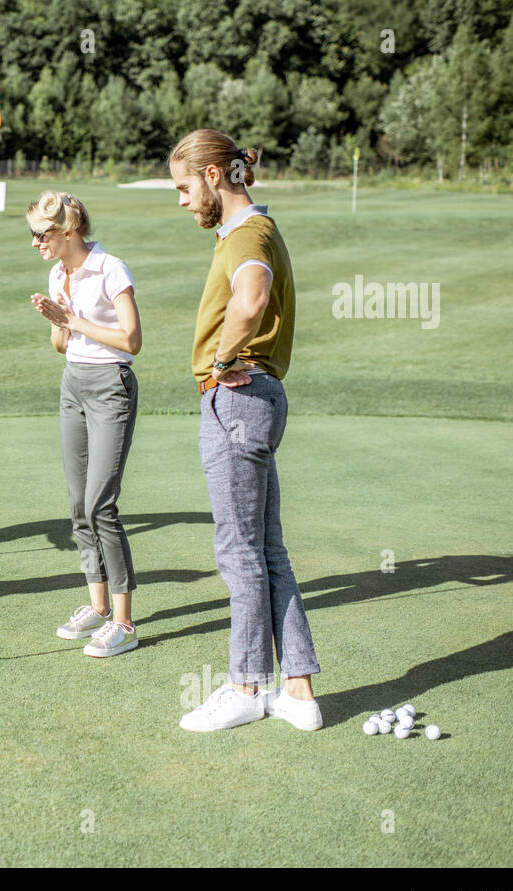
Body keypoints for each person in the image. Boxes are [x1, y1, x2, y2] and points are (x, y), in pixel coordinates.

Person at [166, 130, 321, 731]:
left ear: (211, 176)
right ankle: (299, 694)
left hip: (237, 396)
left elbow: (250, 300)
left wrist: (222, 362)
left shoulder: (246, 235)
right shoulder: (257, 230)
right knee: (267, 547)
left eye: (183, 186)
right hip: (261, 397)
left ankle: (245, 686)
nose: (181, 200)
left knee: (238, 552)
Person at [27, 191, 142, 658]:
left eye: (42, 234)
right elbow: (61, 345)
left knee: (101, 506)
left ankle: (124, 623)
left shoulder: (111, 268)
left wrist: (73, 318)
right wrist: (58, 321)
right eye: (33, 235)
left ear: (68, 231)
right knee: (78, 504)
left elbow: (132, 340)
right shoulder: (58, 272)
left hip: (111, 385)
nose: (36, 243)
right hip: (72, 384)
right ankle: (97, 606)